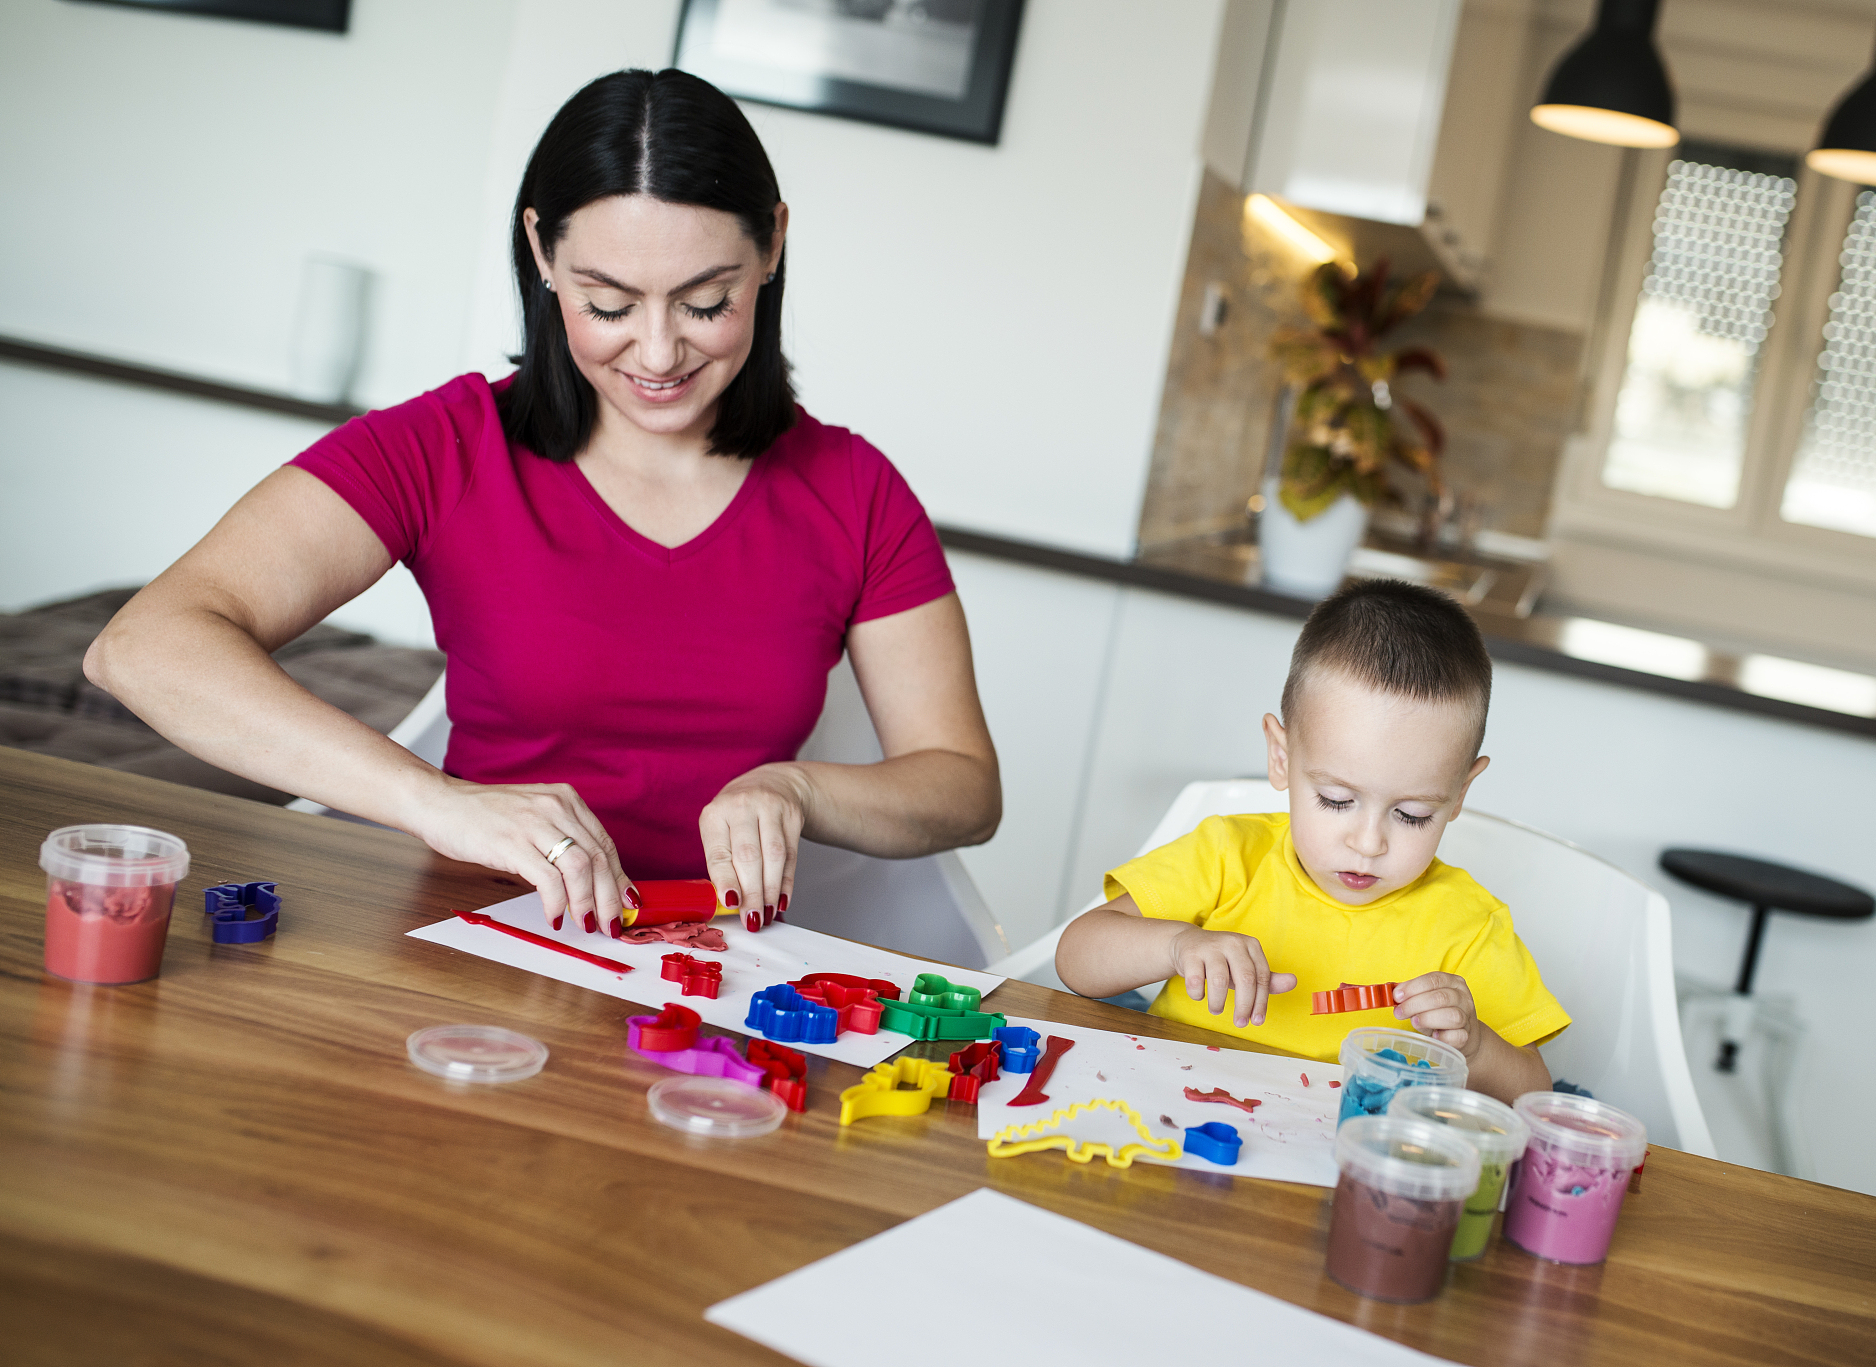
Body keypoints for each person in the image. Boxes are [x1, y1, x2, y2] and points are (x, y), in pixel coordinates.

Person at [85, 69, 1000, 939]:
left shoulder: (851, 488)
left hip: (714, 977)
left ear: (772, 248)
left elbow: (961, 784)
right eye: (609, 304)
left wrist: (798, 791)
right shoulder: (447, 447)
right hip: (474, 947)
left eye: (705, 302)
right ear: (542, 255)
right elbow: (144, 646)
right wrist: (435, 803)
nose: (656, 352)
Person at [1054, 579, 1564, 1101]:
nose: (1368, 843)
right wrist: (1177, 944)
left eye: (1411, 815)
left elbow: (1533, 1092)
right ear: (1281, 757)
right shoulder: (1229, 856)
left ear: (1459, 793)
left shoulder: (1470, 927)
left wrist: (1474, 1046)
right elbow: (1075, 958)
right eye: (1338, 801)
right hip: (1174, 1113)